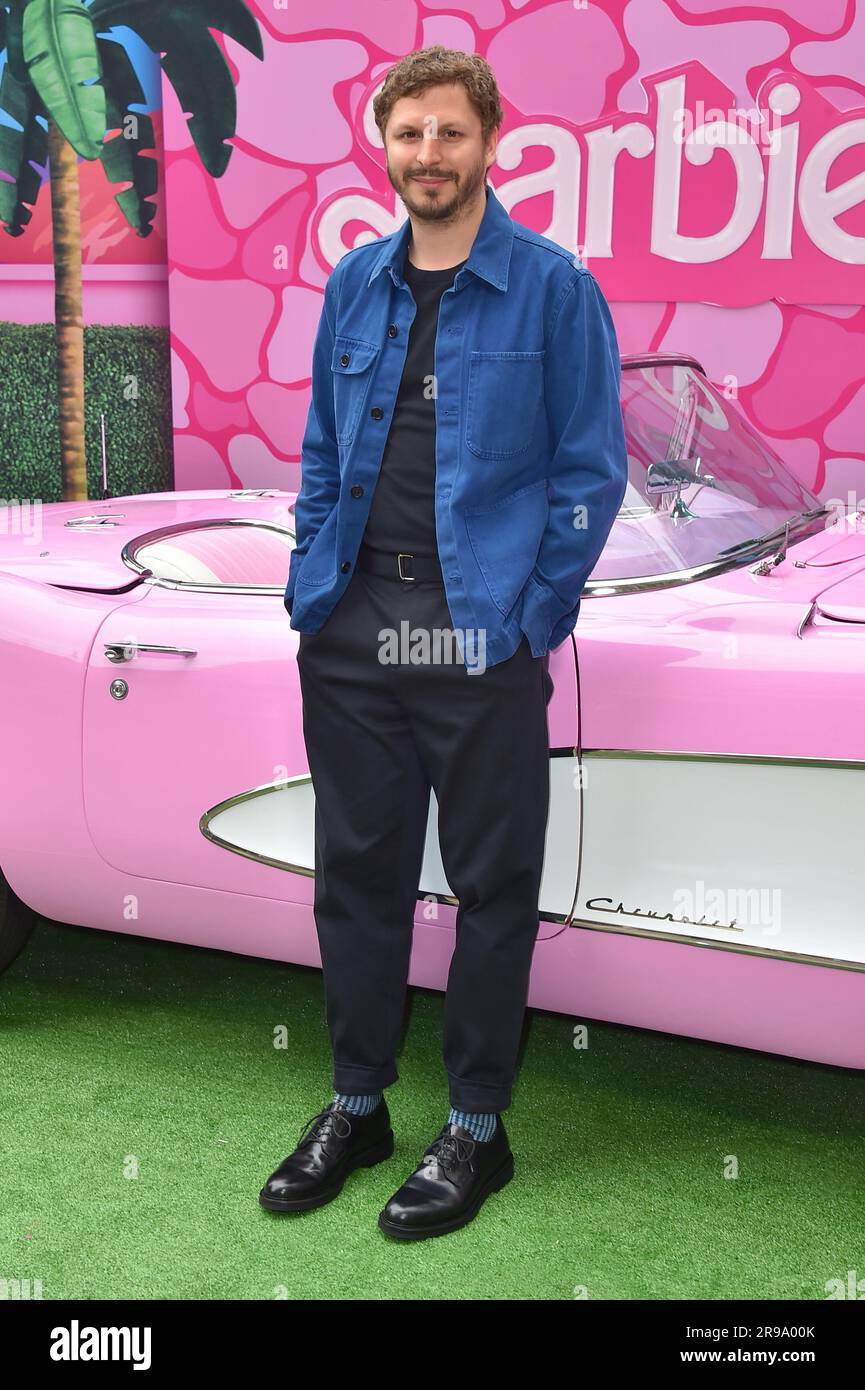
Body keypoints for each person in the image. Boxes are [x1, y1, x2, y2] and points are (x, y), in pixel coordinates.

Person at [260, 45, 628, 1241]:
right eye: (410, 132)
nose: (429, 153)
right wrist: (314, 584)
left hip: (476, 637)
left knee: (490, 887)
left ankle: (476, 1126)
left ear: (488, 143)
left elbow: (589, 474)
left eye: (450, 134)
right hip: (356, 629)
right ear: (386, 143)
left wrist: (531, 617)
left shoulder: (553, 288)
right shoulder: (354, 284)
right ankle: (356, 1104)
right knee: (356, 881)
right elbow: (320, 452)